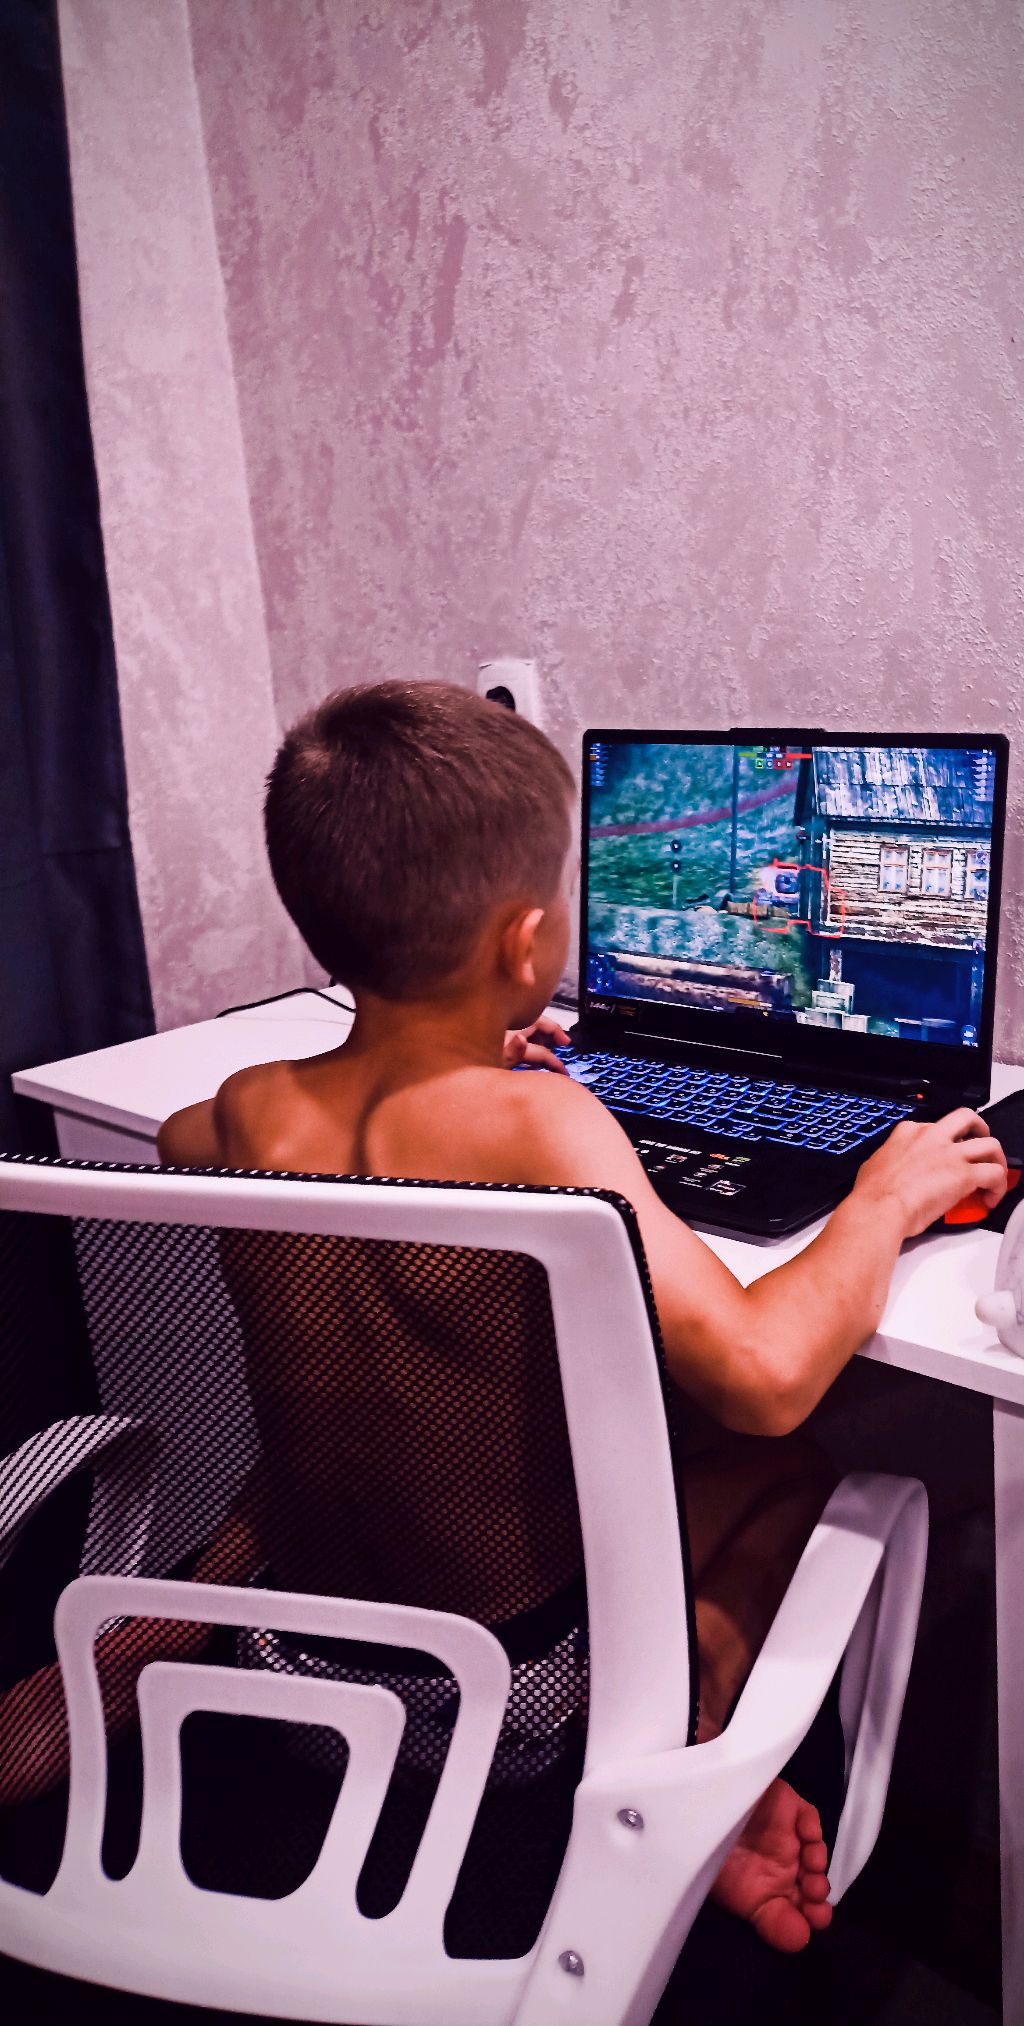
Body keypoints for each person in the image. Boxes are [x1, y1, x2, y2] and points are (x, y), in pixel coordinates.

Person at [3, 684, 1007, 1958]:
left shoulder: (245, 1111)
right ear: (527, 942)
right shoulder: (542, 1125)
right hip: (518, 1698)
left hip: (290, 1650)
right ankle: (684, 1756)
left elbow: (194, 1141)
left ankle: (148, 1635)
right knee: (784, 1468)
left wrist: (461, 1057)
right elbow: (764, 1375)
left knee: (325, 1455)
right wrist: (882, 1195)